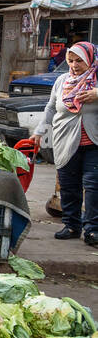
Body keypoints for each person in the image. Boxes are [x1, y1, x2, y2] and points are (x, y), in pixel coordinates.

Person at [30, 42, 98, 244]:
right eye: (71, 61)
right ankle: (71, 226)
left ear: (91, 60)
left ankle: (93, 229)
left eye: (80, 61)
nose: (75, 65)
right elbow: (51, 108)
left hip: (94, 142)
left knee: (93, 185)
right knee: (69, 186)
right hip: (65, 140)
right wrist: (39, 132)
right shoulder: (62, 81)